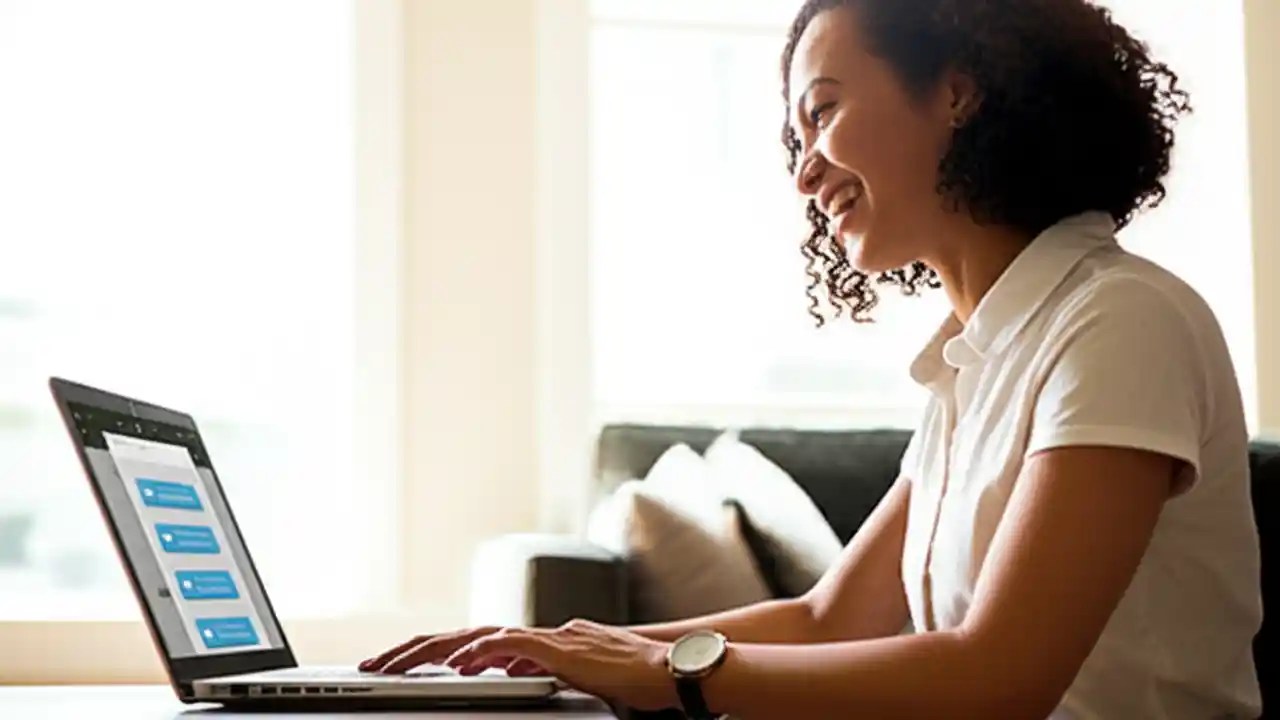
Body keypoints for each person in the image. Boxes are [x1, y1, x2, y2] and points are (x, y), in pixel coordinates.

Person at [361, 0, 1263, 717]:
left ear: (958, 91)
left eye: (823, 110)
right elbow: (828, 618)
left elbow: (998, 678)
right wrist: (558, 651)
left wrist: (670, 675)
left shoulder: (1121, 319)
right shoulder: (975, 361)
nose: (803, 172)